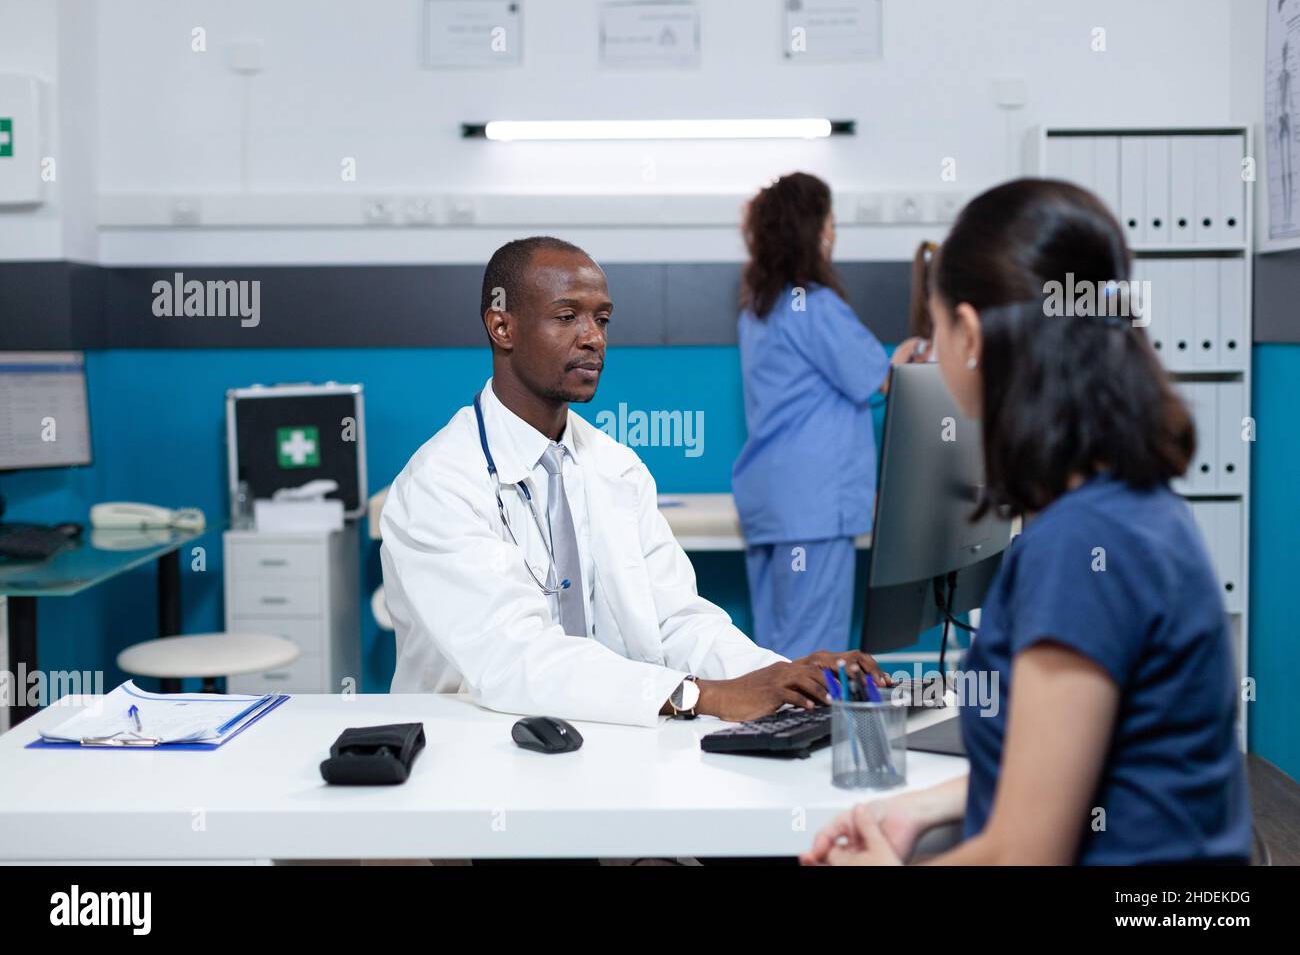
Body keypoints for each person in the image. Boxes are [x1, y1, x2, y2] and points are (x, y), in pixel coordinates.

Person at [802, 179, 1252, 865]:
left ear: (972, 335)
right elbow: (1070, 766)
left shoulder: (1080, 545)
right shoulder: (1126, 507)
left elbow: (1024, 855)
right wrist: (913, 807)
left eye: (938, 326)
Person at [381, 236, 887, 728]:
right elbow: (516, 660)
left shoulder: (615, 467)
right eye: (566, 317)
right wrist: (701, 696)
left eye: (601, 319)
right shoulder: (440, 484)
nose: (593, 337)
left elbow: (676, 619)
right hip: (469, 754)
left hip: (603, 736)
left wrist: (780, 677)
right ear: (502, 327)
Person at [732, 172, 920, 659]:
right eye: (830, 224)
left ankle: (770, 733)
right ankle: (804, 736)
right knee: (812, 659)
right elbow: (879, 379)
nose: (834, 235)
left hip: (773, 502)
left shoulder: (757, 310)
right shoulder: (815, 307)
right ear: (811, 233)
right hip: (812, 509)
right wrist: (911, 357)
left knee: (774, 655)